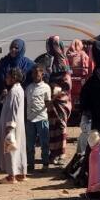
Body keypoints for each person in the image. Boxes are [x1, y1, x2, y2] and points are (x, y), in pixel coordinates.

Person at [0, 39, 33, 168]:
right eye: (12, 47)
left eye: (16, 48)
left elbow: (35, 79)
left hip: (16, 103)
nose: (13, 50)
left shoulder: (28, 64)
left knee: (13, 131)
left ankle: (14, 163)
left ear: (21, 49)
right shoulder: (3, 62)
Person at [34, 36, 72, 166]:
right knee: (51, 127)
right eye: (50, 45)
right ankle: (53, 153)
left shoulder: (64, 61)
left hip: (61, 100)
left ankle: (61, 154)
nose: (51, 48)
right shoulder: (45, 59)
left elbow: (67, 84)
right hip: (49, 100)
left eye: (53, 45)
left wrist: (56, 90)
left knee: (60, 126)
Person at [0, 67, 28, 182]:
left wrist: (10, 126)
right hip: (16, 124)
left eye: (8, 76)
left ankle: (11, 176)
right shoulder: (15, 90)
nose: (6, 78)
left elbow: (13, 110)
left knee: (10, 149)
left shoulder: (15, 91)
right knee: (19, 148)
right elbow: (6, 103)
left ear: (14, 78)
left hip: (12, 125)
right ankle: (21, 173)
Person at [24, 66, 52, 172]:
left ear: (42, 74)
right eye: (33, 73)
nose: (35, 75)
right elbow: (26, 103)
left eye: (37, 73)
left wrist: (50, 104)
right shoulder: (28, 88)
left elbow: (48, 104)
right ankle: (30, 164)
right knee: (30, 144)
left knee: (44, 143)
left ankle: (45, 164)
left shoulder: (46, 88)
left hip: (42, 119)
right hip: (30, 119)